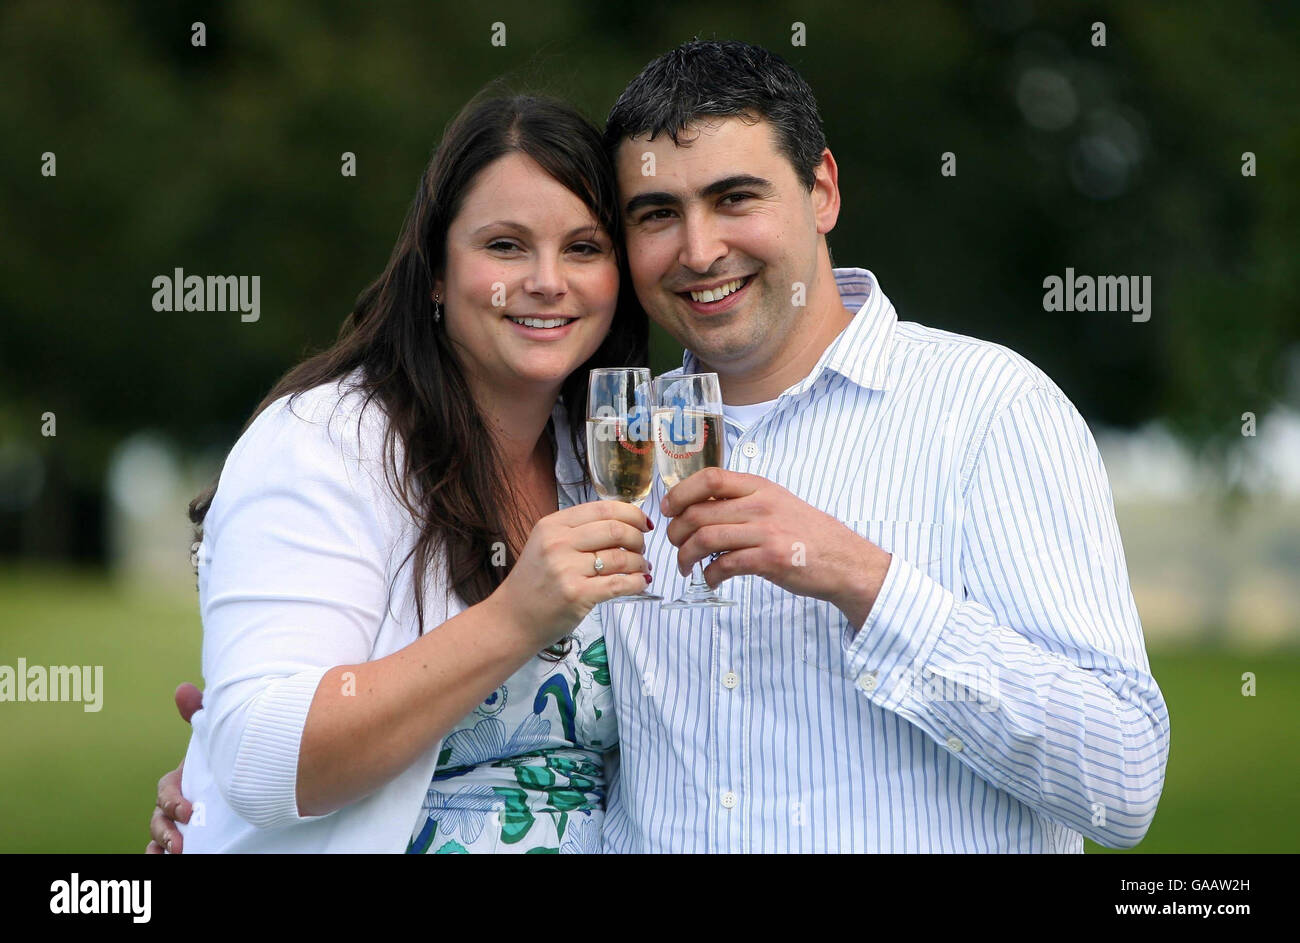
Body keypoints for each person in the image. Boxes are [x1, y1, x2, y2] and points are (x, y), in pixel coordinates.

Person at [154, 40, 1170, 854]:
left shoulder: (986, 409)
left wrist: (861, 577)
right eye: (654, 215)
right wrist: (230, 800)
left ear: (820, 190)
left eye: (735, 198)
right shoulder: (612, 442)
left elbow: (1122, 783)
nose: (698, 249)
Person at [151, 91, 654, 853]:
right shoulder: (326, 442)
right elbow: (261, 759)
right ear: (436, 275)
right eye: (506, 246)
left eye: (584, 248)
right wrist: (514, 618)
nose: (549, 280)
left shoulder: (612, 454)